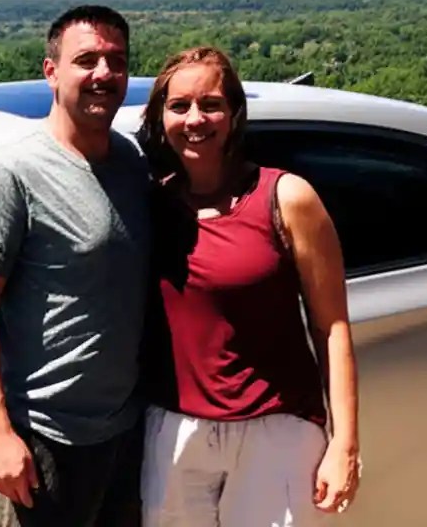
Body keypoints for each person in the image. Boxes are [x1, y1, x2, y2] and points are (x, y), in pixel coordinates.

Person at [135, 46, 362, 526]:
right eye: (179, 106)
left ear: (234, 113)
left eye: (211, 104)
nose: (195, 119)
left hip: (276, 432)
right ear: (161, 117)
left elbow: (331, 326)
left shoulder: (285, 198)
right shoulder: (149, 206)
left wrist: (344, 441)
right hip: (176, 435)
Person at [0, 5, 152, 526]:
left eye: (117, 61)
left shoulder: (130, 163)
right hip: (43, 440)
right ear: (51, 71)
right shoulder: (11, 172)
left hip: (125, 431)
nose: (104, 74)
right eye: (86, 60)